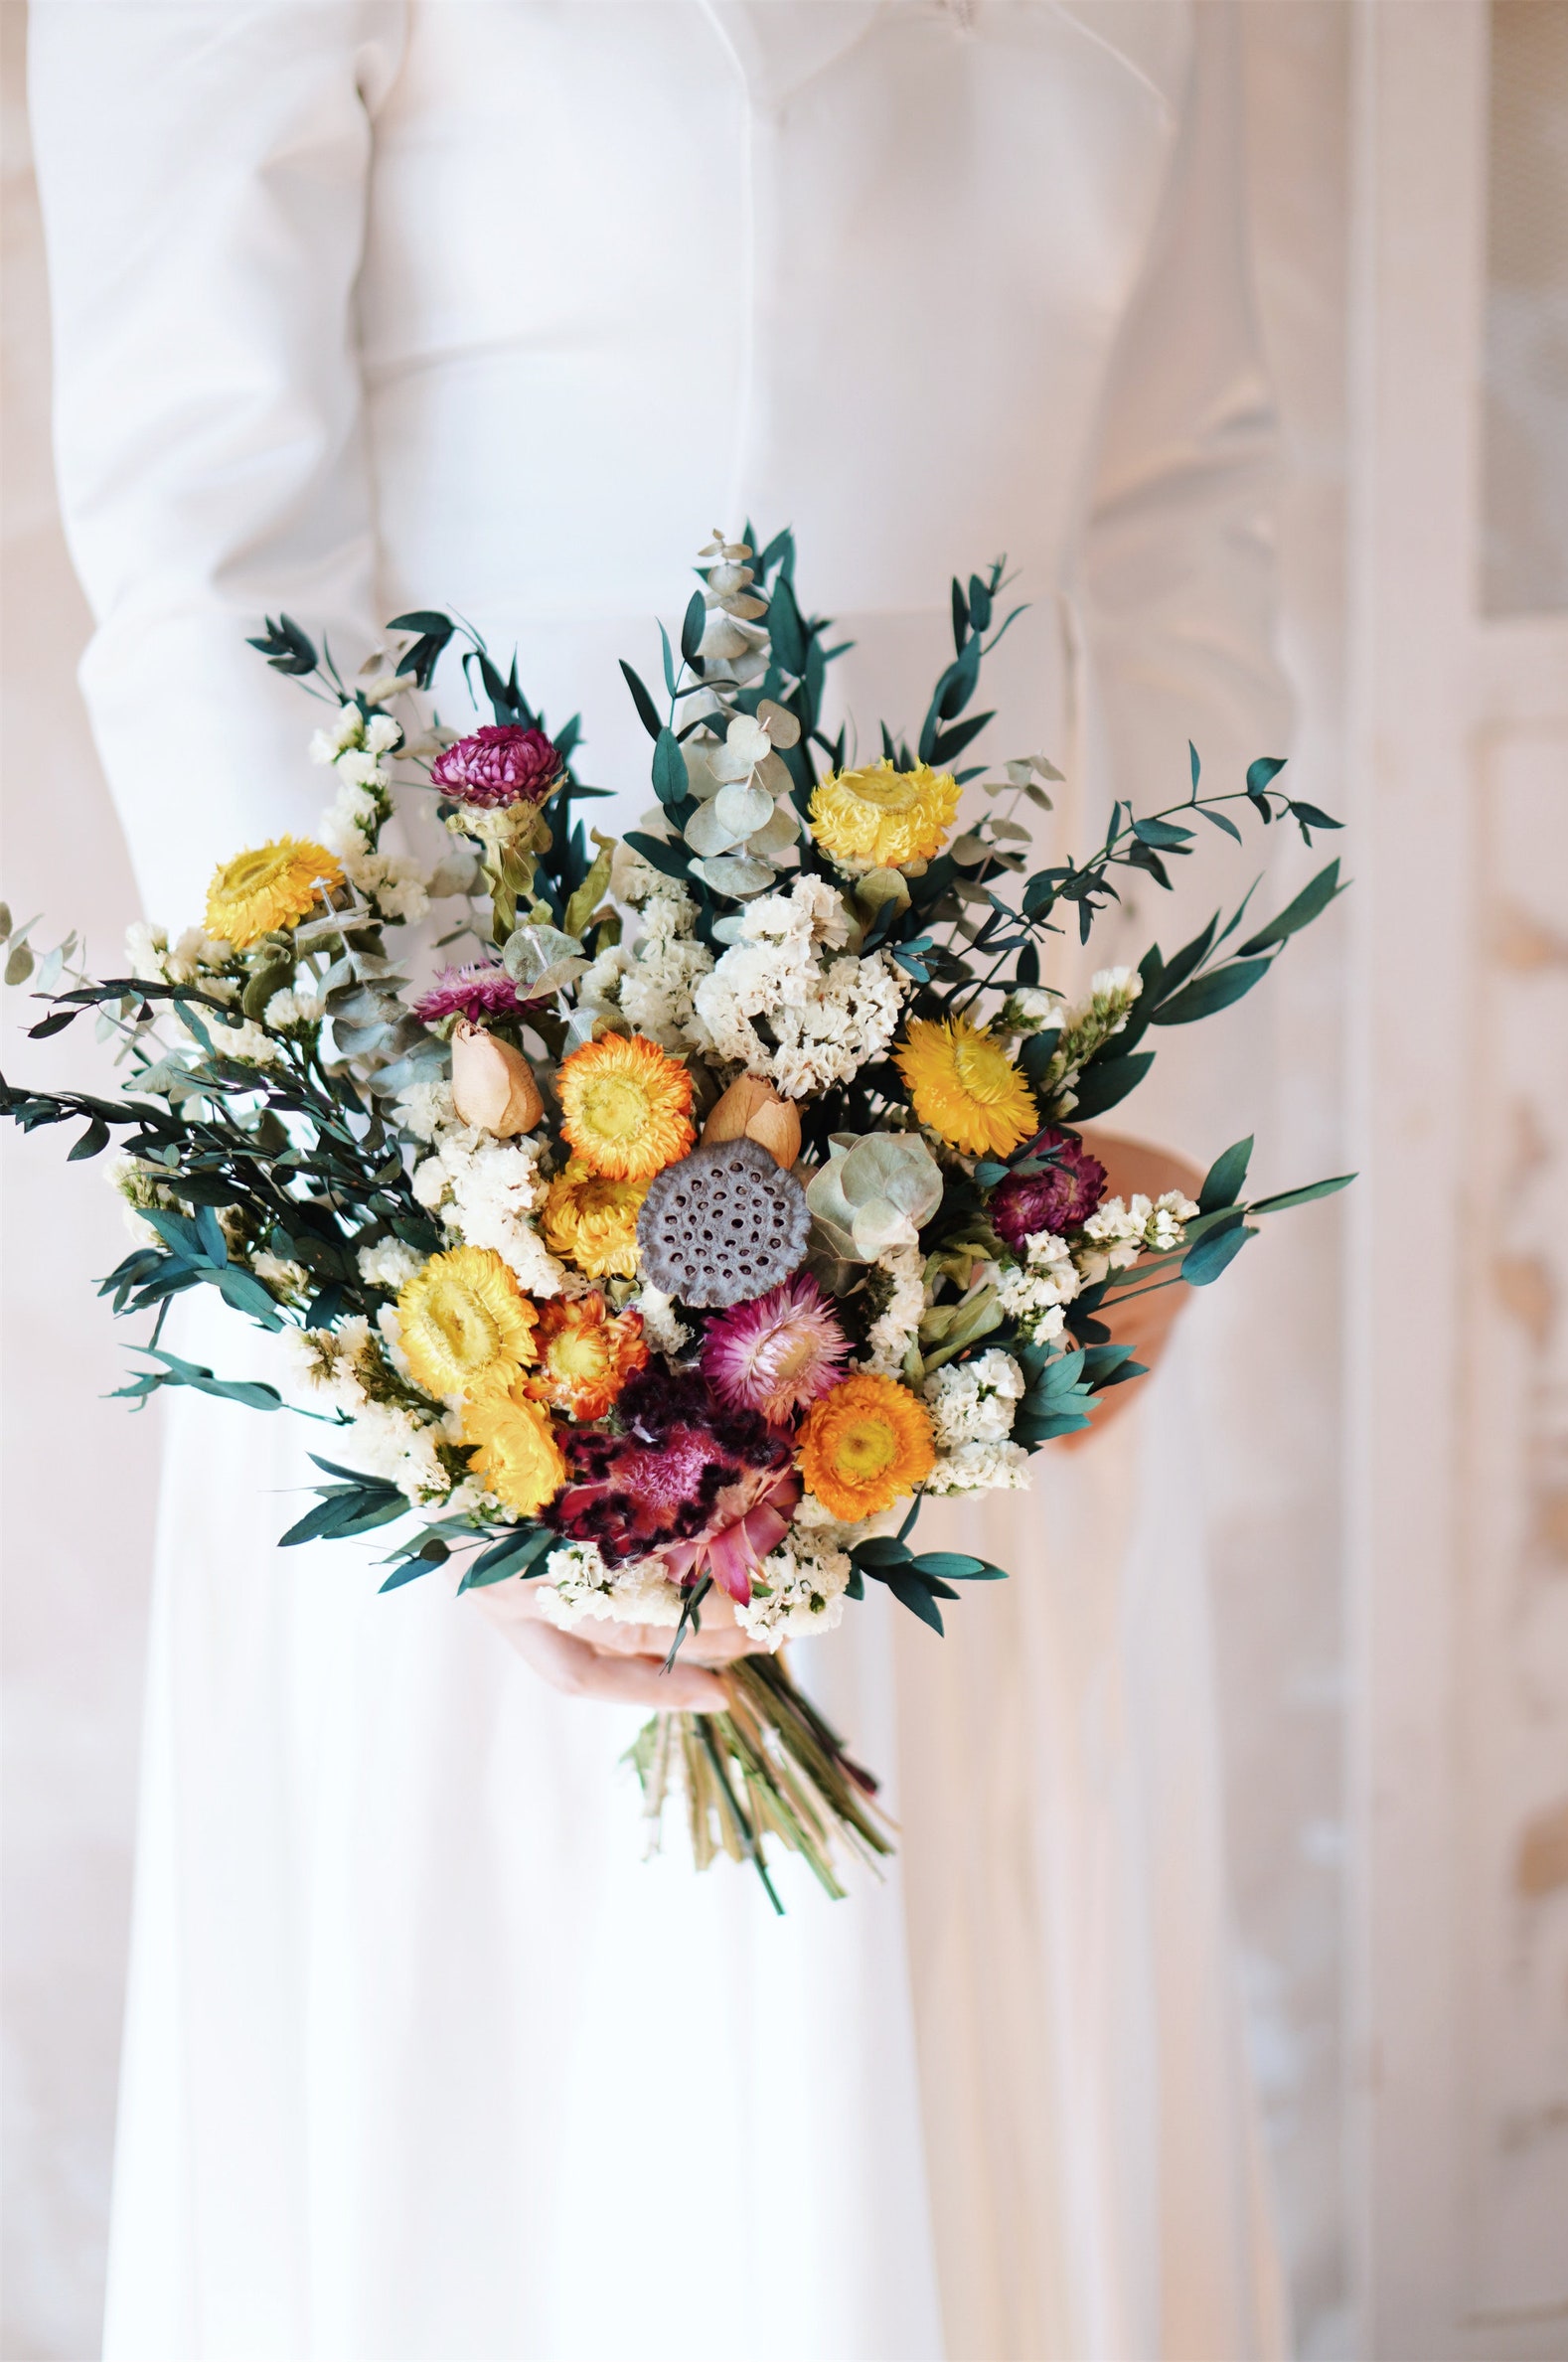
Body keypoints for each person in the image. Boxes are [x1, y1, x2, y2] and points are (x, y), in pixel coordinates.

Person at [30, 5, 1289, 2355]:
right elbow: (201, 537)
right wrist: (430, 1246)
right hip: (461, 1160)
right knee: (524, 2079)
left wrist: (1124, 1151)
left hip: (987, 1171)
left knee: (965, 1989)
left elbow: (1178, 492)